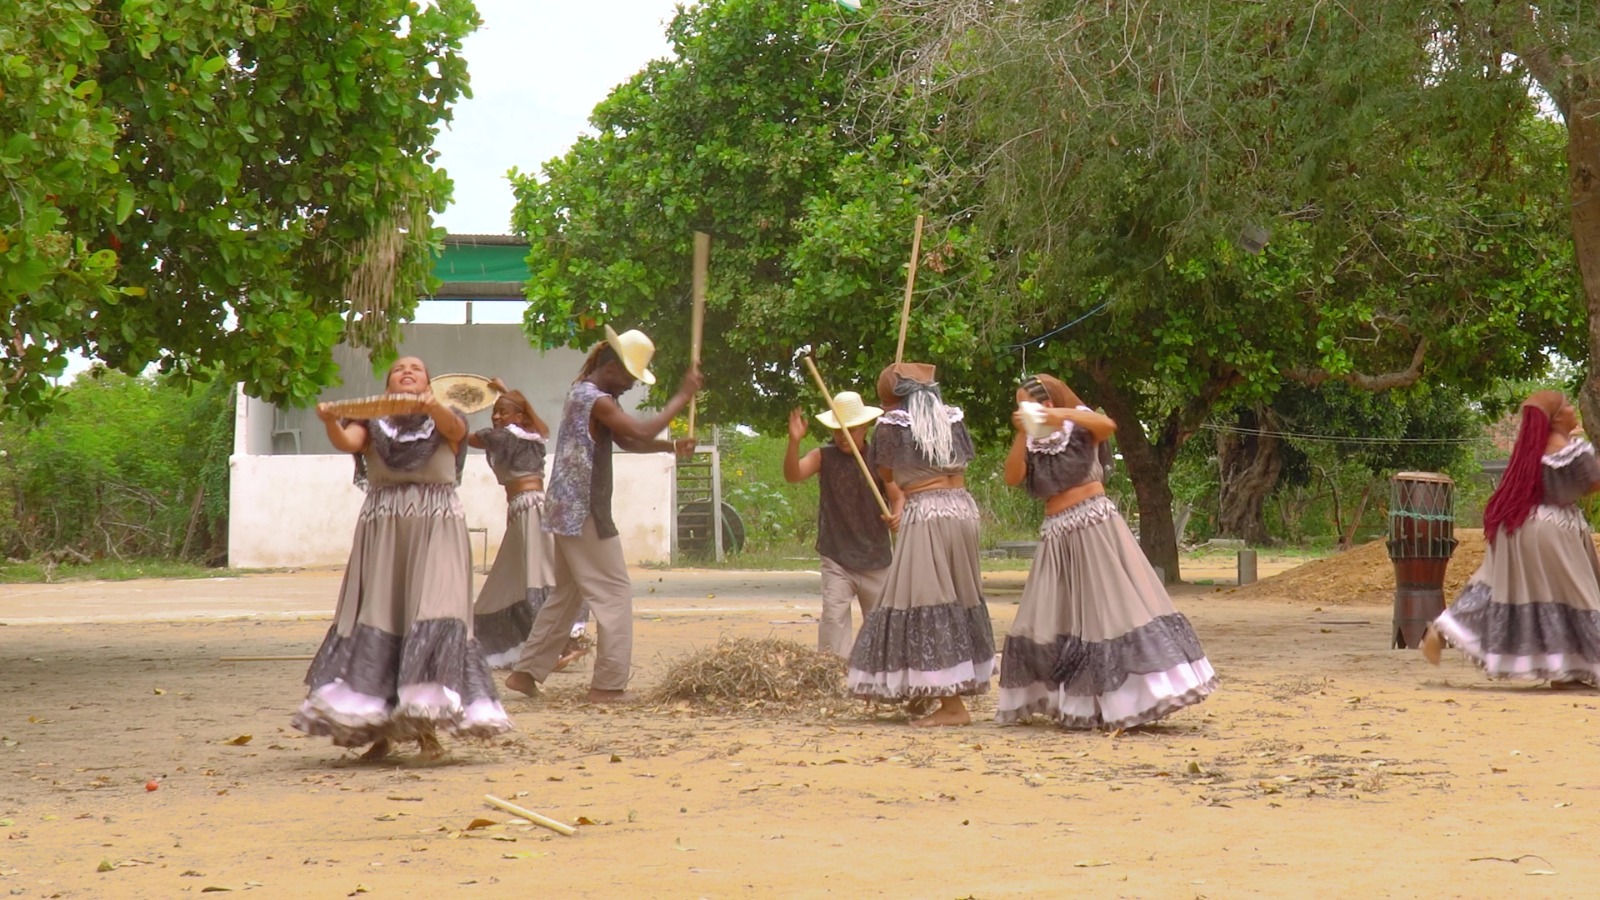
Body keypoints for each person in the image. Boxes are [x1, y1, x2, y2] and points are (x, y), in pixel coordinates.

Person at [296, 356, 512, 761]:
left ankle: (428, 730)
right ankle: (379, 733)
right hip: (385, 524)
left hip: (435, 522)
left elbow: (455, 431)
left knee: (435, 612)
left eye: (416, 367)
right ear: (388, 382)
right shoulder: (372, 420)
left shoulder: (446, 416)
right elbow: (349, 443)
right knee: (383, 616)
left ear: (430, 381)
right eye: (398, 368)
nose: (407, 370)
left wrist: (432, 405)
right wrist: (330, 420)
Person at [995, 374, 1215, 729]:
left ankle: (1133, 699)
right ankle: (1080, 702)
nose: (1025, 411)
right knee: (1055, 615)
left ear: (1049, 402)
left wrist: (1060, 416)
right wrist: (1023, 432)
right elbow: (1012, 476)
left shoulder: (1078, 422)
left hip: (1093, 524)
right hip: (1057, 532)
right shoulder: (1033, 441)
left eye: (1030, 404)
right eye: (1020, 406)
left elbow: (1106, 424)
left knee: (1111, 610)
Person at [505, 326, 701, 703]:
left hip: (566, 508)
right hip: (583, 509)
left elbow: (628, 438)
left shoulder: (588, 394)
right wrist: (682, 396)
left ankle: (526, 673)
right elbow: (640, 429)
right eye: (629, 377)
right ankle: (607, 686)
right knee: (614, 593)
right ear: (611, 367)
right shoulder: (595, 398)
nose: (630, 385)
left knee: (567, 593)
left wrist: (672, 445)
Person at [847, 362, 994, 727]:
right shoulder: (951, 419)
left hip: (927, 512)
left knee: (928, 599)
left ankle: (952, 705)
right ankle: (933, 688)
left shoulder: (891, 426)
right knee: (957, 596)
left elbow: (887, 473)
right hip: (962, 509)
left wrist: (890, 423)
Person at [1423, 390, 1600, 686]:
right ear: (1557, 418)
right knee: (1575, 597)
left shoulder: (1530, 452)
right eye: (1568, 406)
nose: (1573, 410)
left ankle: (1443, 630)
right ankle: (1563, 666)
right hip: (1552, 532)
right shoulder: (1572, 451)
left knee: (1494, 588)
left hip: (1516, 526)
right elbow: (1594, 483)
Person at [783, 391, 900, 658]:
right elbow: (793, 475)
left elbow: (897, 495)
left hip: (876, 556)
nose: (842, 436)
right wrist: (793, 442)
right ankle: (832, 674)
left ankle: (880, 677)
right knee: (834, 619)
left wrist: (897, 514)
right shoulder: (823, 456)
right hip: (836, 555)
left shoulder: (879, 459)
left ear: (864, 428)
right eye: (838, 430)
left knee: (880, 622)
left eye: (851, 430)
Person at [467, 380, 555, 668]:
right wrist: (506, 391)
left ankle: (556, 641)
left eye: (503, 412)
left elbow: (470, 439)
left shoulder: (504, 437)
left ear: (518, 416)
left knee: (533, 573)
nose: (497, 417)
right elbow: (520, 413)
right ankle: (547, 641)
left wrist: (445, 418)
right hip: (527, 507)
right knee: (522, 574)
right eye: (495, 412)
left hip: (528, 507)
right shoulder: (530, 435)